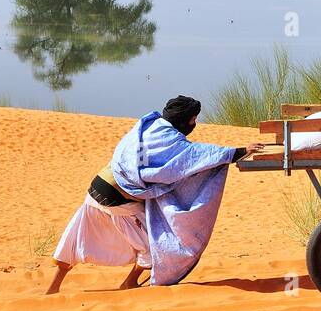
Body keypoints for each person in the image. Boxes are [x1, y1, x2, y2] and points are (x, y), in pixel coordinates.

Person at [46, 96, 263, 294]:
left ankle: (53, 287)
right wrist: (242, 151)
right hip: (118, 196)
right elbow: (199, 156)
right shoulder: (173, 141)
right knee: (157, 244)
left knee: (78, 235)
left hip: (98, 185)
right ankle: (130, 282)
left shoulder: (148, 126)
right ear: (186, 119)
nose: (193, 124)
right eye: (193, 119)